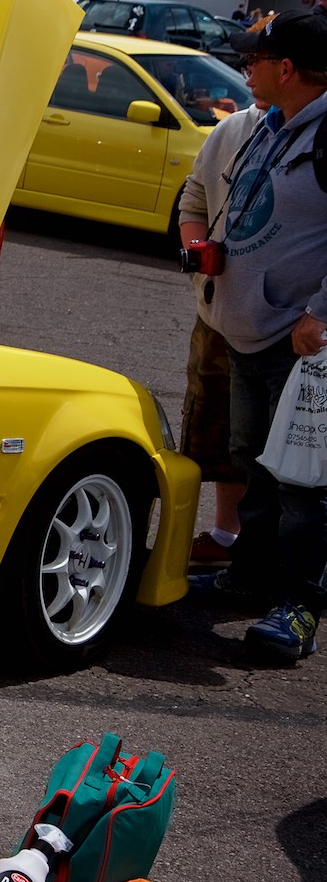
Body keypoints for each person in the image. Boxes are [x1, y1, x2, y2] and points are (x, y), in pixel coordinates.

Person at [192, 6, 327, 661]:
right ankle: (252, 575)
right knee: (255, 461)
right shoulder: (267, 126)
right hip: (250, 333)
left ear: (288, 69)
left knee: (305, 481)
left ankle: (299, 605)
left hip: (297, 343)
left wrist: (321, 314)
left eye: (256, 57)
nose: (246, 66)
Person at [177, 68, 264, 570]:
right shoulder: (232, 129)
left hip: (293, 329)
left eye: (263, 60)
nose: (249, 72)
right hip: (218, 314)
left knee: (284, 445)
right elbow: (193, 199)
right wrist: (197, 256)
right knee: (221, 430)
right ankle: (227, 536)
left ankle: (276, 559)